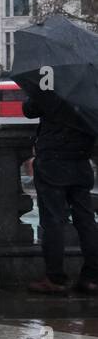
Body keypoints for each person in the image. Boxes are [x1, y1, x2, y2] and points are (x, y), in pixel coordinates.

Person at [21, 83, 98, 295]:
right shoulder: (90, 87)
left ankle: (55, 278)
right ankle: (92, 277)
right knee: (86, 220)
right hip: (81, 159)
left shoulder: (52, 83)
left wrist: (39, 89)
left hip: (53, 161)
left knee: (53, 220)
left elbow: (28, 110)